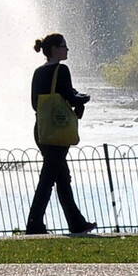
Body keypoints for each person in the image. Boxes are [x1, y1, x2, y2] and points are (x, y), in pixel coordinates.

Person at [25, 32, 95, 236]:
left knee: (62, 177)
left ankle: (76, 223)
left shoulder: (38, 72)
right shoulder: (61, 69)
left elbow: (33, 103)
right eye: (64, 46)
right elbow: (69, 95)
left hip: (42, 130)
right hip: (58, 129)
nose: (67, 50)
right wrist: (83, 100)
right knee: (47, 179)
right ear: (55, 49)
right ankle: (34, 224)